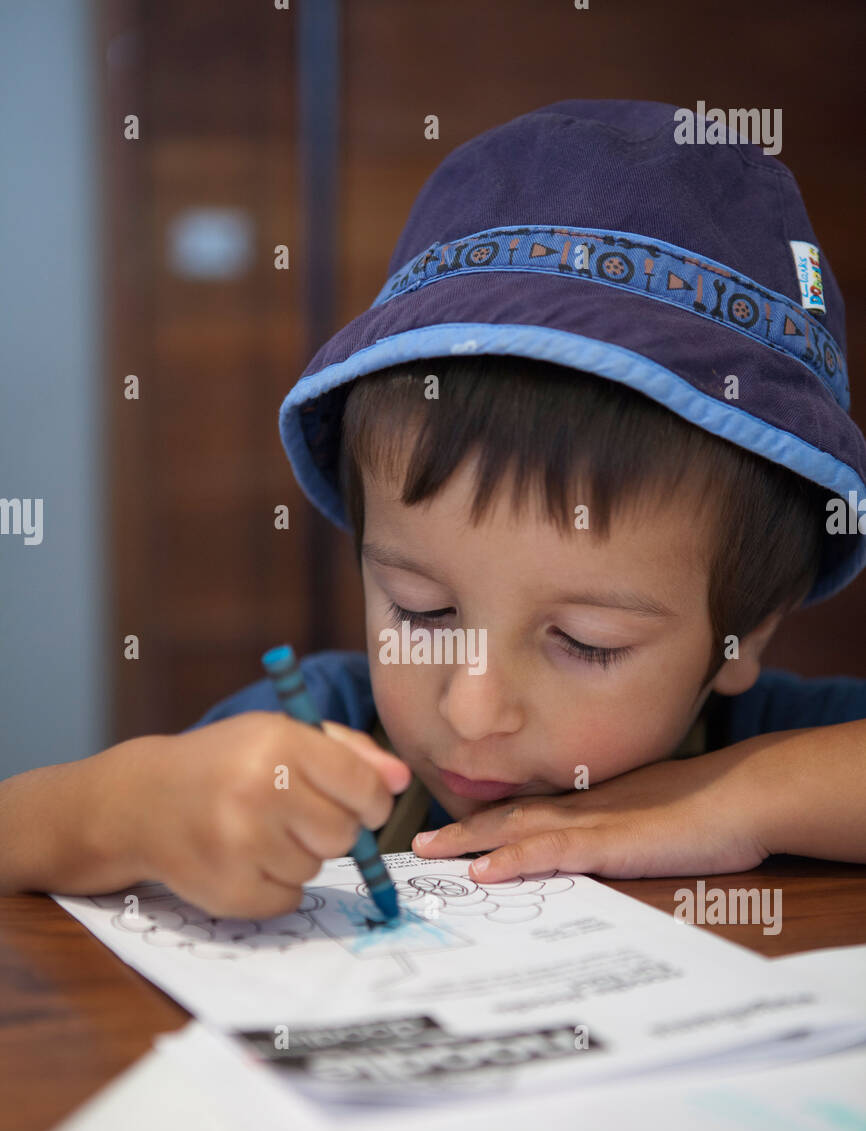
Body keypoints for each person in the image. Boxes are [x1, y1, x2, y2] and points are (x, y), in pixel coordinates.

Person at [2, 99, 864, 918]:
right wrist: (125, 806)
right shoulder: (323, 735)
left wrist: (743, 797)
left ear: (742, 634)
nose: (471, 710)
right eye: (422, 610)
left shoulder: (771, 738)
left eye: (585, 642)